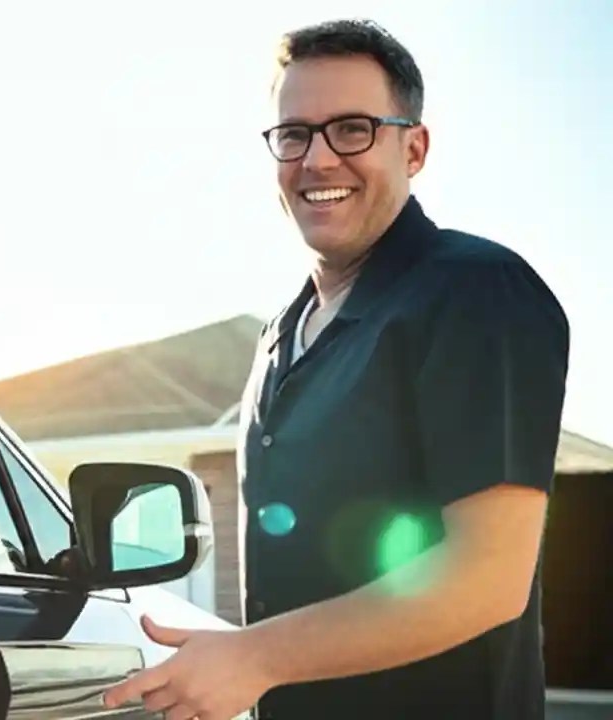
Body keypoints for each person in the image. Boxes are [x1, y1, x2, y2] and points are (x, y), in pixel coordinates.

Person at [104, 18, 569, 720]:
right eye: (294, 134)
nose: (318, 160)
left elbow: (487, 576)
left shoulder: (475, 290)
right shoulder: (279, 334)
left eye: (353, 129)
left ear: (414, 148)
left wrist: (256, 658)